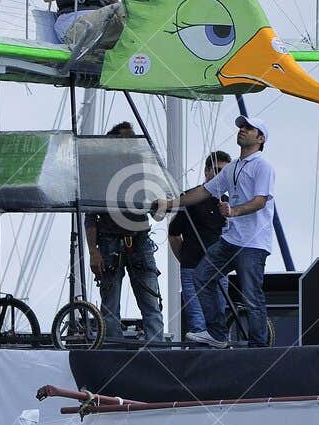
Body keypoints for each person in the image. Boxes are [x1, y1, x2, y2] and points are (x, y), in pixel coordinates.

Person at [166, 115, 276, 347]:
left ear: (261, 137)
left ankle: (259, 347)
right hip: (231, 241)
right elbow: (204, 191)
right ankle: (217, 334)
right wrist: (171, 204)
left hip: (253, 243)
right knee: (201, 276)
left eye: (249, 128)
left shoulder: (262, 166)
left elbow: (260, 201)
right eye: (241, 127)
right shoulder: (233, 167)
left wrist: (233, 211)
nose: (242, 130)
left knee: (251, 295)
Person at [86, 121, 165, 345]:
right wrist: (93, 251)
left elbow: (157, 207)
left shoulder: (141, 169)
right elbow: (90, 214)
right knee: (111, 305)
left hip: (139, 238)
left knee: (150, 300)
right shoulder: (101, 173)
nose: (131, 142)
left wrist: (160, 203)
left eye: (132, 138)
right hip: (111, 240)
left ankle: (156, 350)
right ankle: (114, 351)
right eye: (126, 139)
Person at [168, 151, 232, 338]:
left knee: (217, 321)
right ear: (206, 171)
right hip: (192, 268)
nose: (221, 176)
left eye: (225, 172)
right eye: (218, 170)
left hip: (218, 271)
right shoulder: (190, 198)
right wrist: (185, 259)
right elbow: (173, 234)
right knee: (198, 323)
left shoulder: (229, 204)